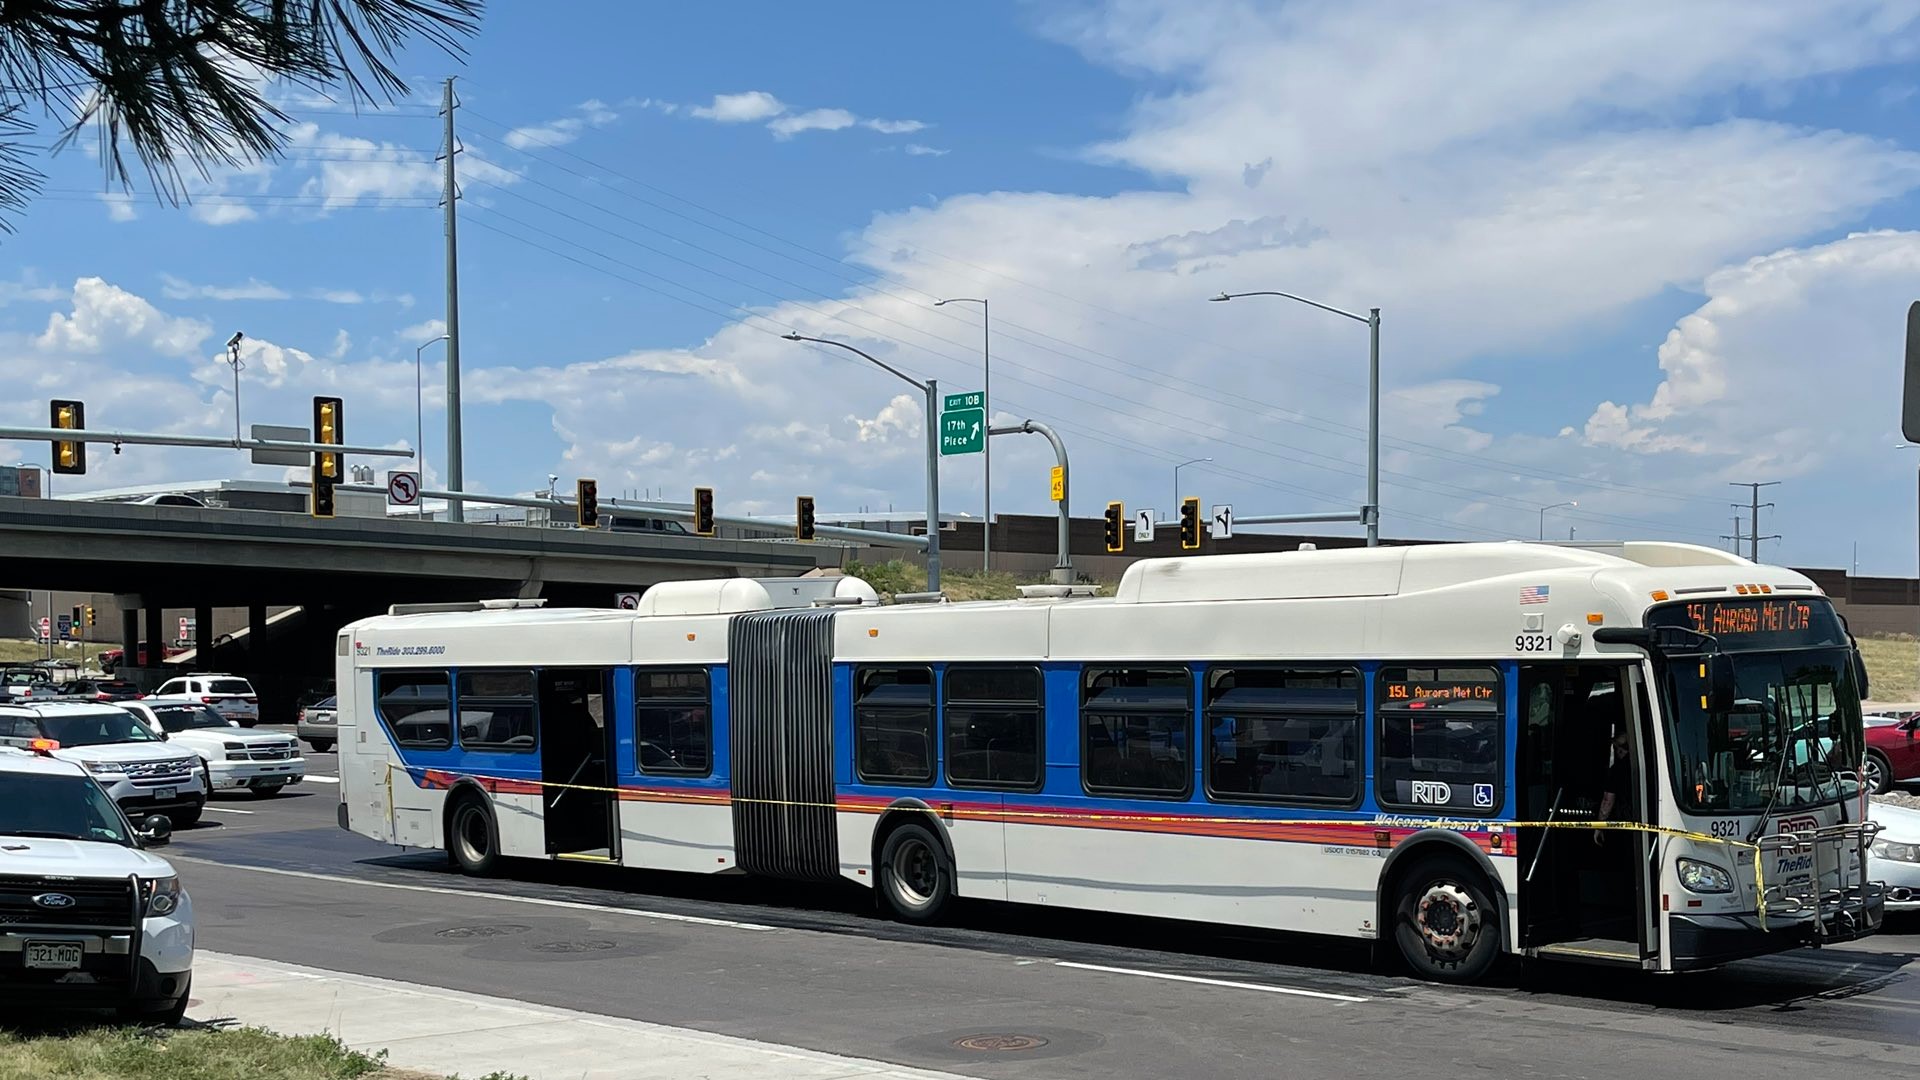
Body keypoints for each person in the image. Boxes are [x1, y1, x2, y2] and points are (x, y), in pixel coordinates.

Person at [1595, 730, 1630, 845]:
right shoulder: (1648, 766)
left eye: (1622, 747)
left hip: (1622, 823)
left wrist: (1599, 826)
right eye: (1615, 747)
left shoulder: (1617, 770)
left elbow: (1608, 801)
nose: (1618, 750)